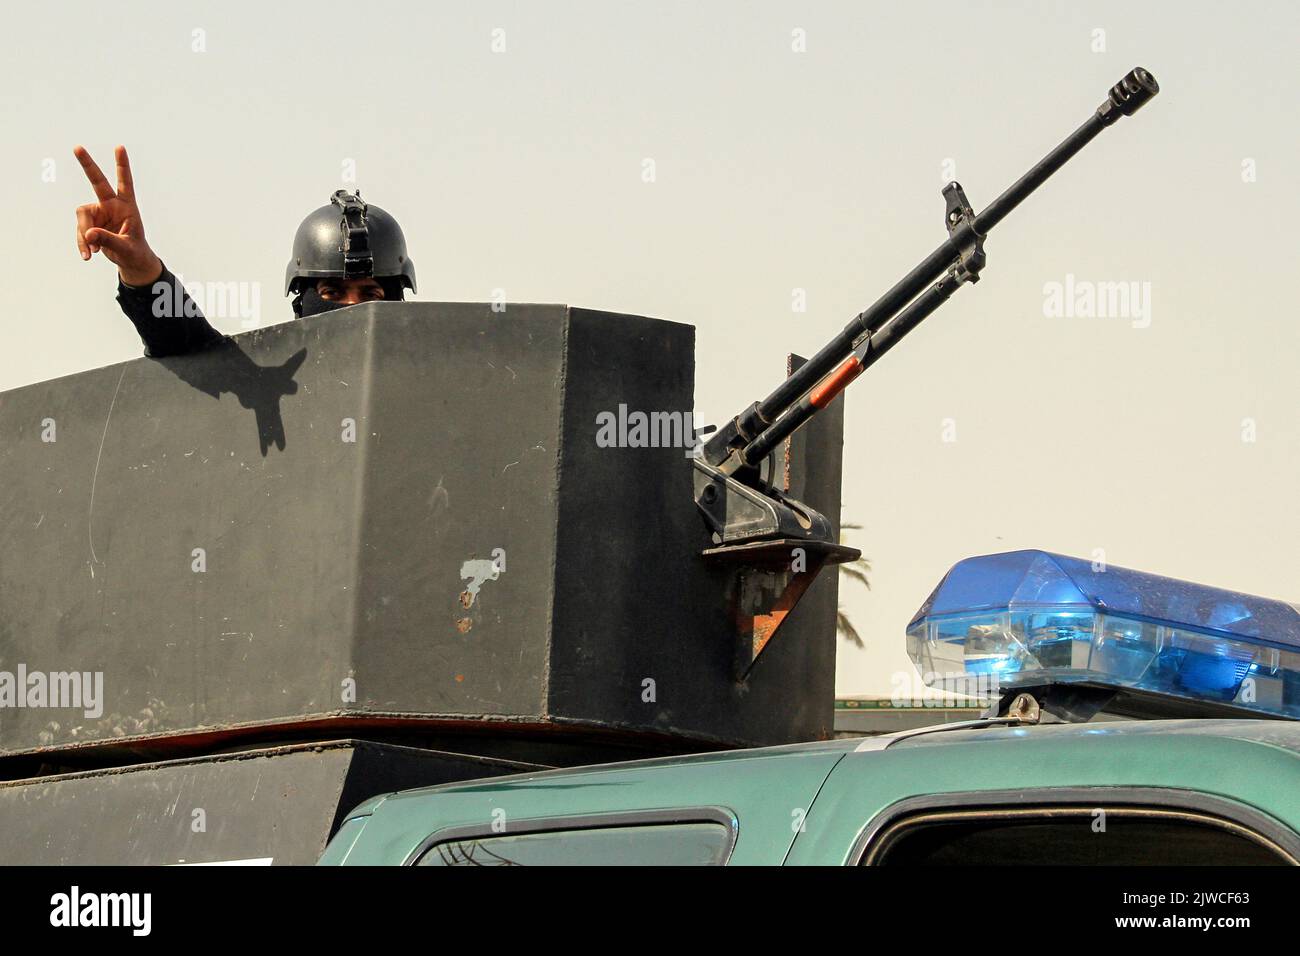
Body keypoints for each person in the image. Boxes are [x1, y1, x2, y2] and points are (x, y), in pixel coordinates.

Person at [73, 145, 417, 358]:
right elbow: (185, 344)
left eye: (371, 293)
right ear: (301, 303)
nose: (353, 309)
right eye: (332, 292)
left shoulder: (444, 383)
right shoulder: (271, 387)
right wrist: (140, 268)